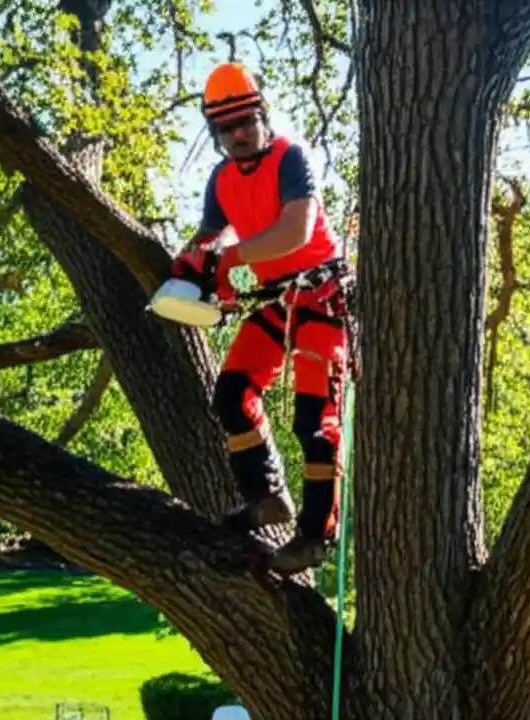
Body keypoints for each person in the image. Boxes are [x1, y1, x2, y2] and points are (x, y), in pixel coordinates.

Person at [171, 62, 355, 575]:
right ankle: (264, 496)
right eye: (225, 128)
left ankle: (316, 536)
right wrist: (192, 264)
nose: (236, 134)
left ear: (262, 115)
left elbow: (294, 233)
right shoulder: (221, 180)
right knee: (230, 393)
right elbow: (209, 237)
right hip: (277, 300)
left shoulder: (291, 159)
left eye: (244, 121)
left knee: (315, 423)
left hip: (322, 297)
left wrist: (228, 260)